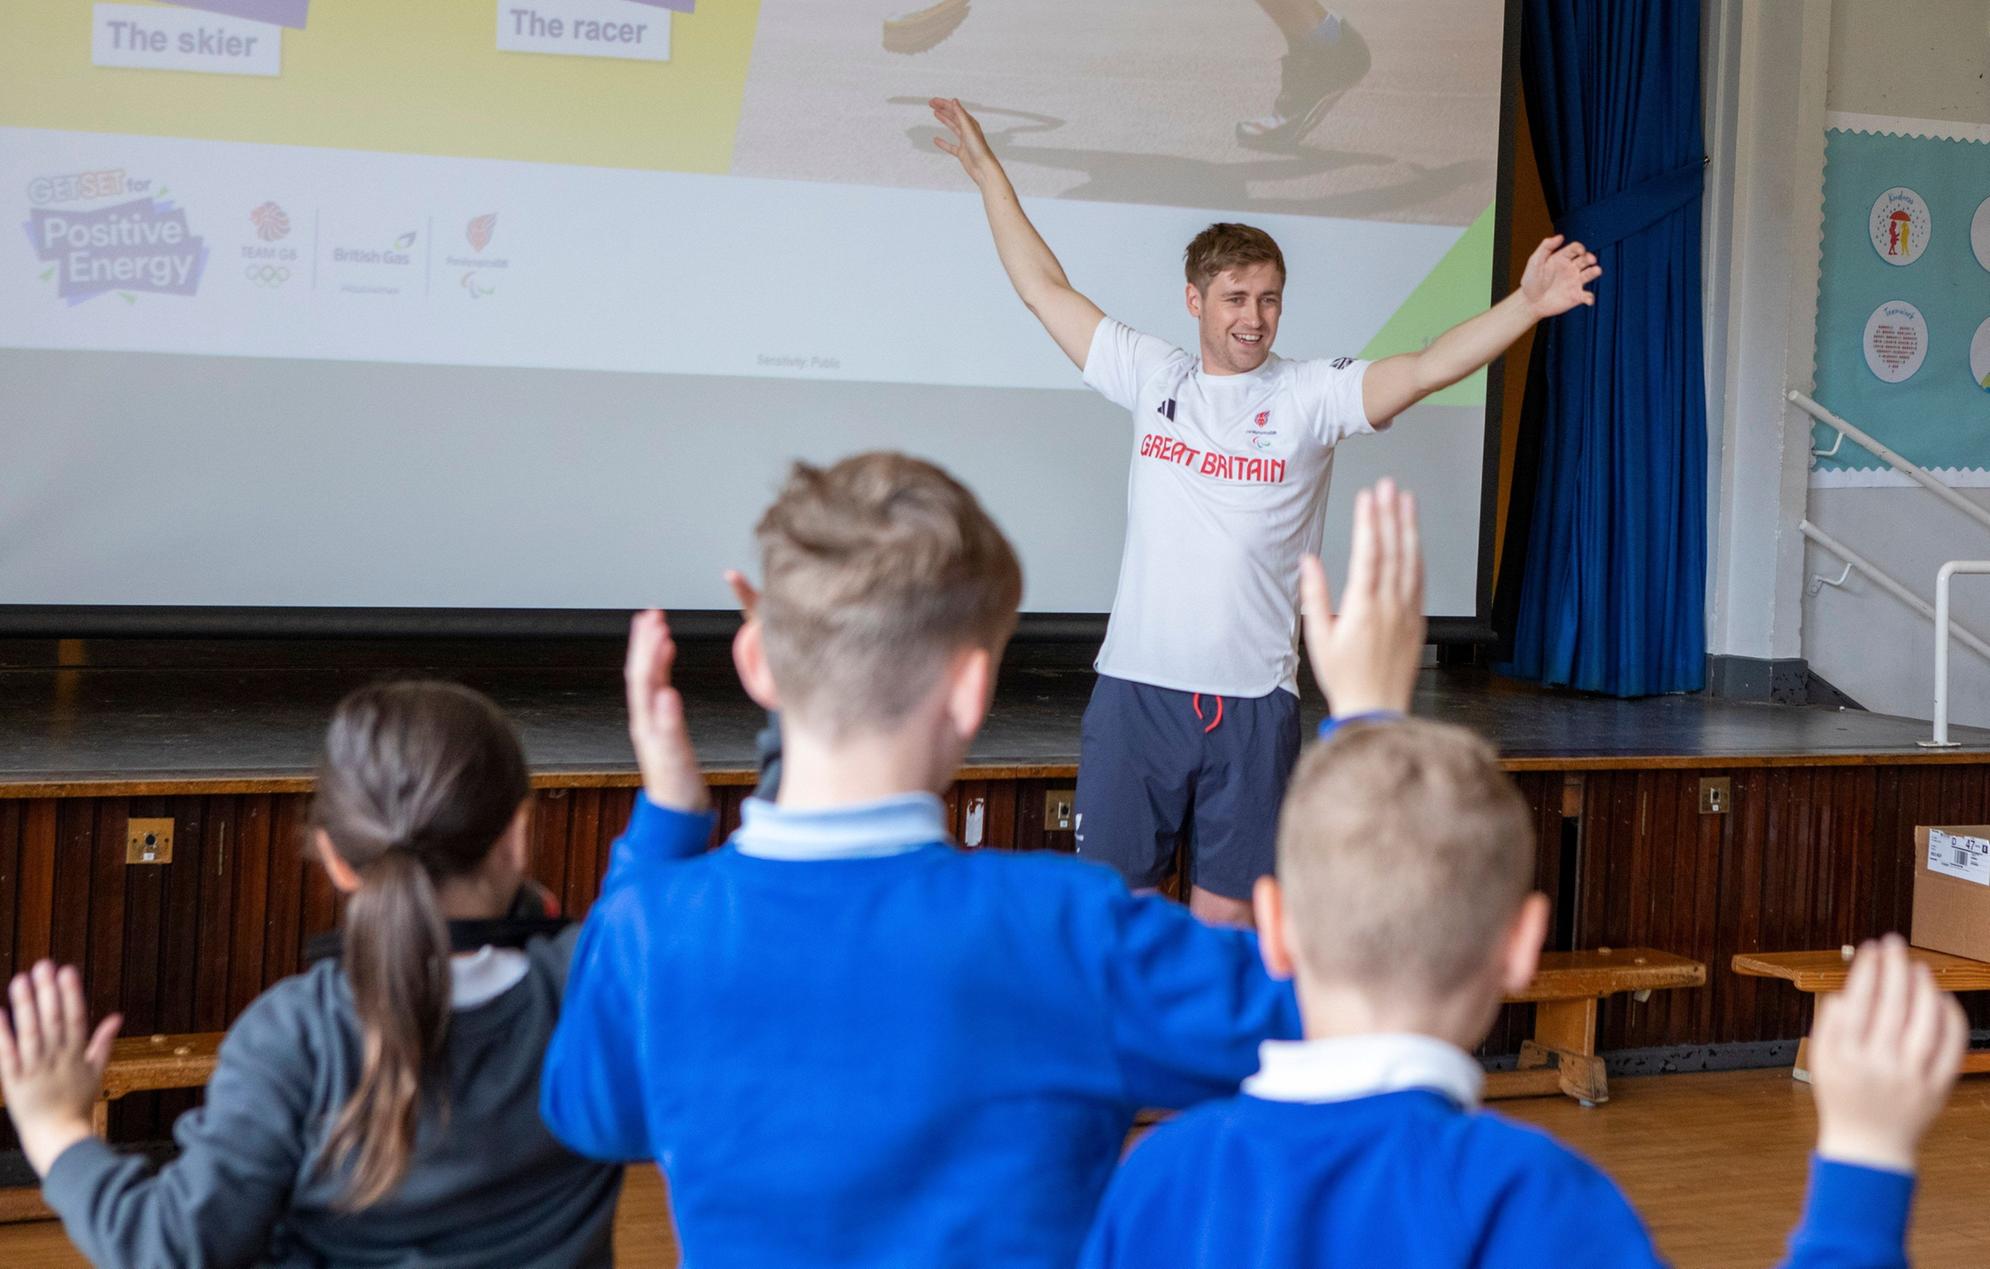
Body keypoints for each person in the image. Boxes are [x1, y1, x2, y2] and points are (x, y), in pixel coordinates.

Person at [1077, 489, 1966, 1267]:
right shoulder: (1535, 1201)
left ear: (1271, 927)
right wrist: (1864, 1163)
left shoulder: (1159, 1180)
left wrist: (1366, 721)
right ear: (1520, 946)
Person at [541, 452, 1367, 1268]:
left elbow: (591, 1110)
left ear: (755, 662)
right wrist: (1370, 720)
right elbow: (1349, 1008)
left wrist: (666, 823)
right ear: (974, 690)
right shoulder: (1074, 928)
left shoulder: (649, 926)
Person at [932, 94, 1600, 926]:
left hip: (1251, 707)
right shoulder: (1153, 376)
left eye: (1270, 299)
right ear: (1196, 301)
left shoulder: (1308, 395)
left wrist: (1527, 306)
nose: (1254, 318)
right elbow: (1043, 288)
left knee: (1227, 938)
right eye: (1236, 297)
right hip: (1137, 694)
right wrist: (991, 174)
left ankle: (1209, 1061)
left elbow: (1425, 367)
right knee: (1113, 925)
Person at [0, 678, 713, 1267]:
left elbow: (172, 1244)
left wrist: (53, 1125)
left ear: (334, 857)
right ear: (518, 835)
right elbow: (649, 925)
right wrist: (676, 802)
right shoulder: (587, 992)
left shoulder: (294, 1035)